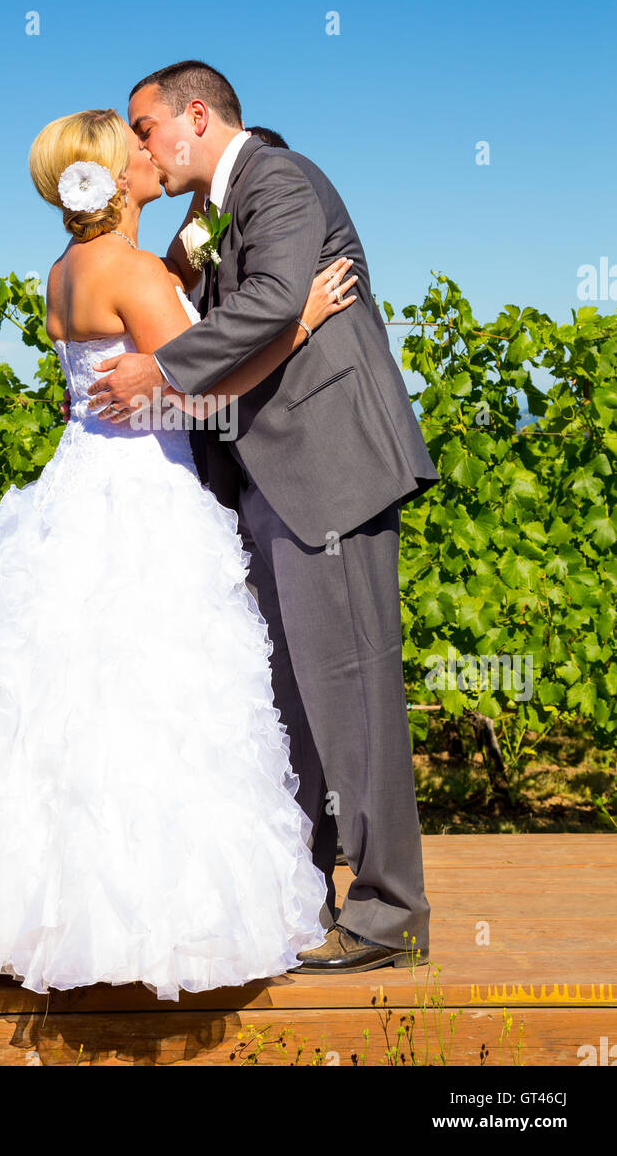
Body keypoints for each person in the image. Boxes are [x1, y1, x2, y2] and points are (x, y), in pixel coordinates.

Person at [0, 106, 360, 1002]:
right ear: (117, 178)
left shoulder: (67, 270)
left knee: (48, 697)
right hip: (144, 490)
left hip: (74, 480)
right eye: (137, 151)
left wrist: (190, 252)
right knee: (149, 695)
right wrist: (303, 318)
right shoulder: (133, 274)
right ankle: (149, 928)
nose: (152, 155)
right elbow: (199, 399)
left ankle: (14, 915)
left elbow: (133, 329)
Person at [85, 61, 440, 973]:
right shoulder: (208, 216)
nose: (135, 144)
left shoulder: (279, 180)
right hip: (267, 485)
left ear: (193, 118)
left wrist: (162, 372)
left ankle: (390, 917)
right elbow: (241, 318)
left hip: (332, 476)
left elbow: (276, 301)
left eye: (142, 124)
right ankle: (300, 896)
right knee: (291, 706)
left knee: (353, 697)